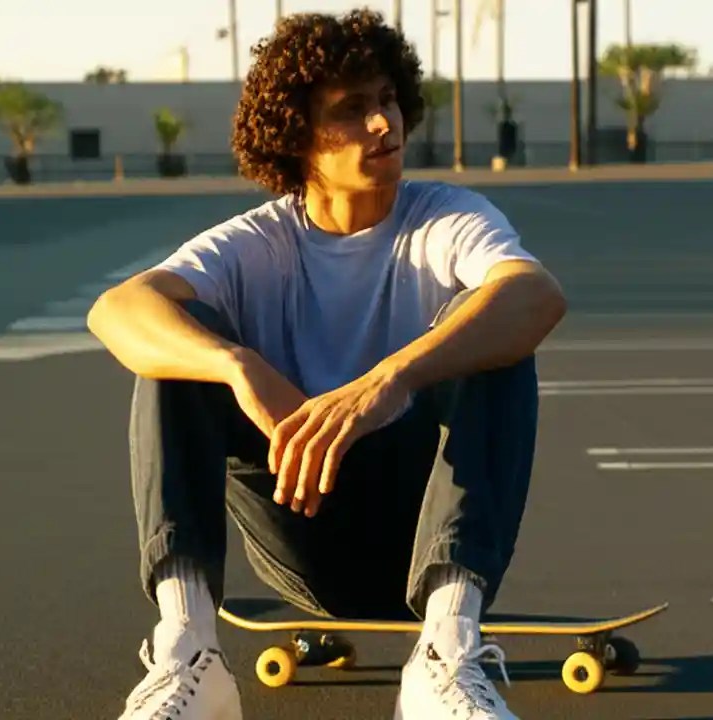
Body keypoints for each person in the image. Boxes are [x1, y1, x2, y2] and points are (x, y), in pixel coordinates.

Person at [87, 9, 566, 720]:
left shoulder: (446, 218)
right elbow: (117, 311)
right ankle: (189, 652)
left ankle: (444, 655)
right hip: (301, 523)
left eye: (386, 100)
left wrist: (389, 378)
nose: (383, 124)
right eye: (352, 110)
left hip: (428, 527)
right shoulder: (258, 244)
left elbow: (536, 296)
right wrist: (236, 364)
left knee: (492, 337)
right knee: (177, 351)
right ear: (299, 137)